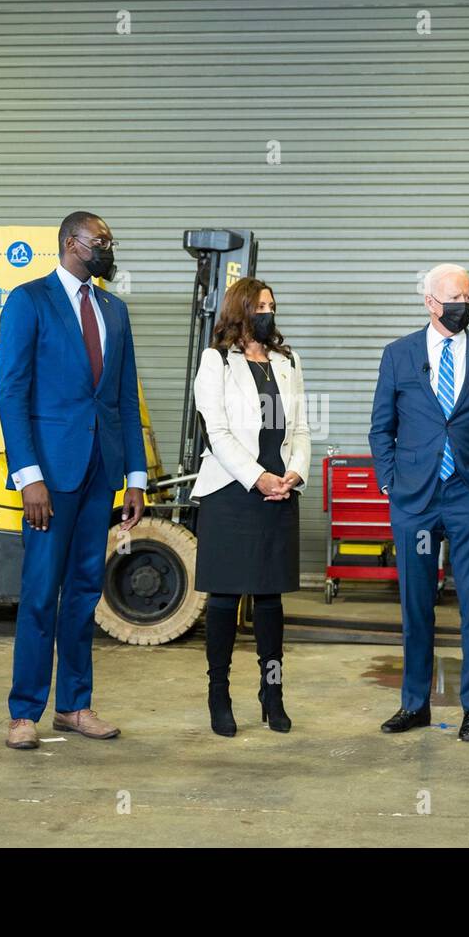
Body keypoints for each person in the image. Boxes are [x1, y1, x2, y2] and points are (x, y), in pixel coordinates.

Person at [0, 211, 147, 750]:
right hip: (49, 477)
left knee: (84, 593)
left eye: (109, 239)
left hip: (100, 472)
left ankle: (74, 707)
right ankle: (23, 712)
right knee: (40, 594)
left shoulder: (115, 309)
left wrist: (135, 476)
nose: (107, 248)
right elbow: (11, 393)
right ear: (70, 243)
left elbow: (125, 398)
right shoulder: (28, 300)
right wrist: (27, 475)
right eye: (100, 240)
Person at [368, 263, 469, 742]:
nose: (465, 305)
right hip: (414, 501)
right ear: (431, 302)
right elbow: (381, 428)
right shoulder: (398, 355)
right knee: (417, 605)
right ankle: (414, 704)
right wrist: (392, 483)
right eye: (456, 297)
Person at [191, 277, 310, 737]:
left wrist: (293, 474)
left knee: (269, 599)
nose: (268, 313)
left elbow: (298, 429)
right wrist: (256, 477)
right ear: (240, 309)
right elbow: (216, 433)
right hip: (231, 491)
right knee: (223, 597)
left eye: (272, 306)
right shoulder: (216, 361)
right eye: (260, 305)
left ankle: (272, 692)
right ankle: (218, 694)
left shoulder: (287, 361)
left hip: (279, 490)